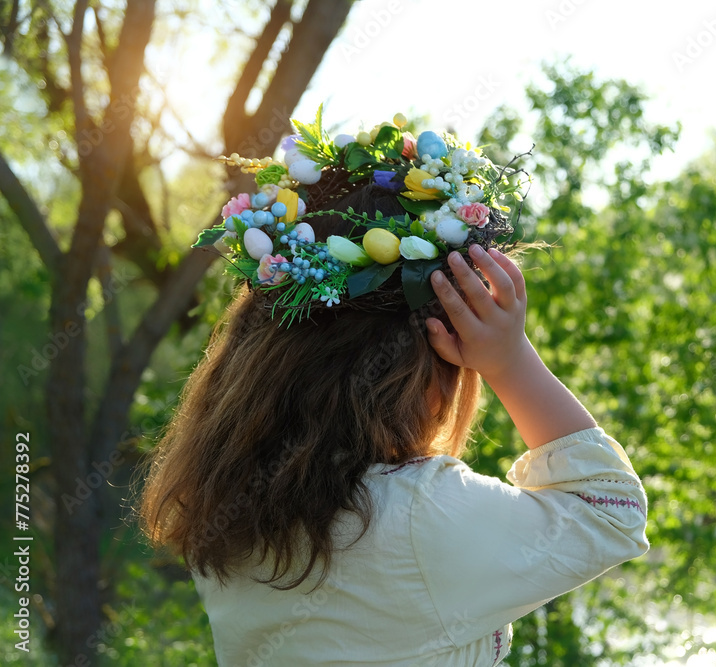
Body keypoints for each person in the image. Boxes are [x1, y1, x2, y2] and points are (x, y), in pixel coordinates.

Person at [139, 111, 648, 666]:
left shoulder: (227, 511)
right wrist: (510, 361)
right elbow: (610, 509)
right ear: (420, 362)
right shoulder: (415, 516)